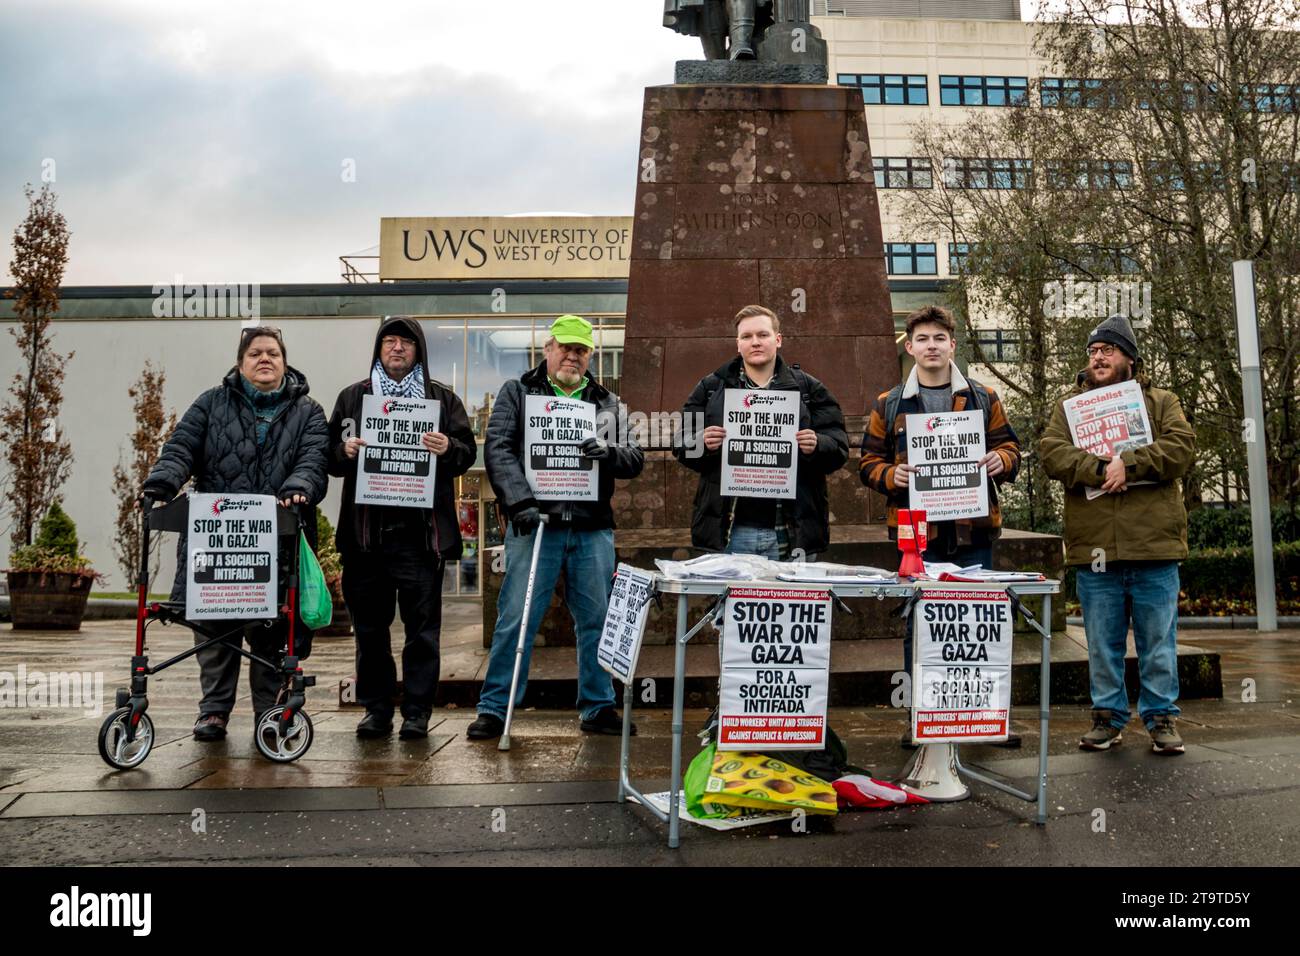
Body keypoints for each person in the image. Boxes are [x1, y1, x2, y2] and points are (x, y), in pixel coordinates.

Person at [143, 325, 329, 741]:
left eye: (273, 353)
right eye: (255, 354)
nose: (265, 359)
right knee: (214, 629)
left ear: (285, 361)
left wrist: (299, 488)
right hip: (216, 541)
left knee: (271, 630)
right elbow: (181, 448)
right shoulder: (210, 404)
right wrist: (162, 483)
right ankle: (213, 711)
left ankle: (271, 713)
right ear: (240, 363)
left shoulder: (309, 412)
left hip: (276, 542)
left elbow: (313, 460)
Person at [467, 315, 644, 740]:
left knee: (597, 619)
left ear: (590, 356)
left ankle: (598, 706)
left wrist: (608, 451)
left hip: (590, 527)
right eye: (565, 347)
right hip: (535, 524)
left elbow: (634, 458)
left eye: (581, 349)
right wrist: (520, 502)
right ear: (547, 349)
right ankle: (496, 707)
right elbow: (500, 448)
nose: (572, 355)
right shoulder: (518, 391)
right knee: (516, 618)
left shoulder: (609, 403)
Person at [858, 304, 1022, 747]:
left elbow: (1012, 450)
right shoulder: (889, 403)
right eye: (923, 340)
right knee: (922, 626)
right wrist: (892, 475)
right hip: (917, 534)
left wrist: (999, 460)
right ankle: (920, 718)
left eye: (940, 338)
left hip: (974, 531)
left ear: (953, 345)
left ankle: (985, 718)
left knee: (979, 624)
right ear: (909, 347)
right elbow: (867, 463)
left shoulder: (984, 397)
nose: (932, 346)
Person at [1041, 315, 1195, 755]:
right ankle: (1107, 718)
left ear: (1129, 357)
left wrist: (1130, 461)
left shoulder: (1163, 401)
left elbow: (1181, 447)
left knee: (1158, 644)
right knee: (1101, 647)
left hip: (1155, 549)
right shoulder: (1068, 408)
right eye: (1092, 352)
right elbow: (1052, 453)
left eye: (1107, 350)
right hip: (1095, 552)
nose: (1097, 357)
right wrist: (1100, 469)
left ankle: (1161, 718)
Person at [327, 316, 477, 740]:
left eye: (405, 343)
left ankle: (416, 712)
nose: (397, 348)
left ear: (419, 351)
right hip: (366, 539)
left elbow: (466, 454)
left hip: (419, 539)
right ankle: (376, 711)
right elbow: (327, 458)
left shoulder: (442, 400)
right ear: (378, 349)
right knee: (370, 634)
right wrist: (344, 449)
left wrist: (448, 448)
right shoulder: (353, 398)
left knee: (422, 636)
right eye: (389, 341)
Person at [674, 304, 847, 560]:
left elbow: (839, 447)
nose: (755, 342)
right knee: (732, 601)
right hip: (730, 531)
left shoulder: (809, 390)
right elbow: (681, 444)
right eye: (747, 336)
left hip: (791, 532)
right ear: (738, 344)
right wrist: (702, 442)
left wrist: (818, 444)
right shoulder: (711, 388)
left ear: (777, 340)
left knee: (793, 601)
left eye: (763, 335)